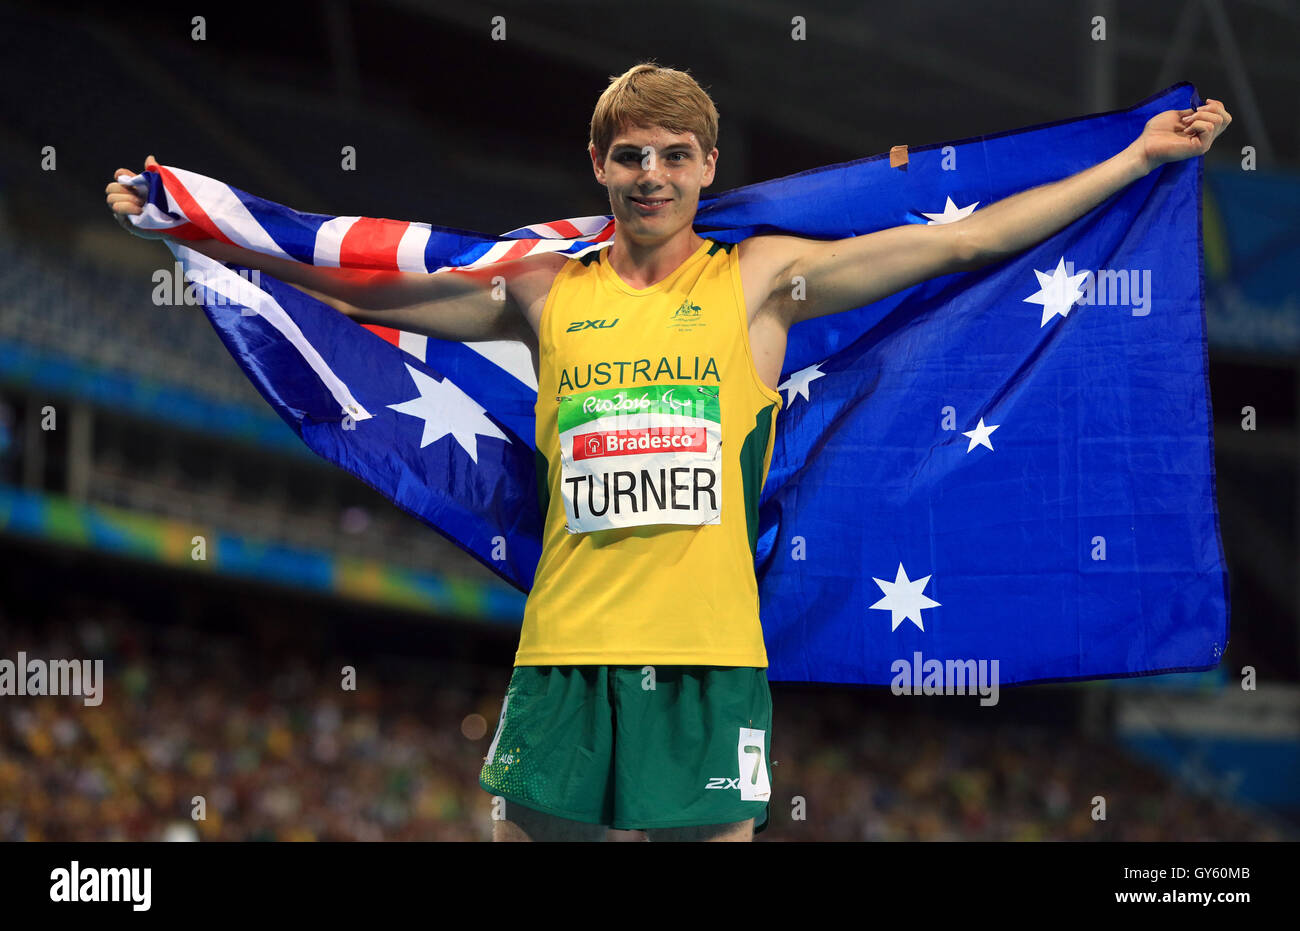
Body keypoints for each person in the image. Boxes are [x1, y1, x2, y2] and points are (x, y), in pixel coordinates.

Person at [107, 63, 1230, 842]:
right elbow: (368, 288)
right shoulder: (541, 289)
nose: (651, 173)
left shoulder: (759, 280)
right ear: (598, 164)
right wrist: (207, 232)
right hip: (562, 652)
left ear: (706, 167)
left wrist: (1133, 159)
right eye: (629, 154)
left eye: (674, 155)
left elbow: (969, 238)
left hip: (705, 657)